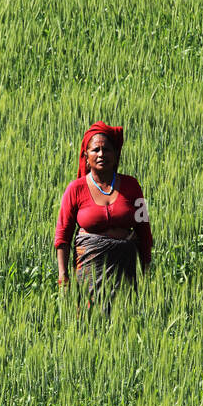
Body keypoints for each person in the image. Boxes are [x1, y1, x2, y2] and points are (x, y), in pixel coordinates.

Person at [54, 121, 152, 315]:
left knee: (124, 320)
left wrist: (147, 274)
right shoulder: (75, 189)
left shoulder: (133, 186)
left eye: (106, 149)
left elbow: (144, 231)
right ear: (86, 156)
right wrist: (63, 276)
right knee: (89, 321)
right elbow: (62, 236)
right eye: (95, 149)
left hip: (125, 274)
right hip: (89, 273)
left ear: (115, 155)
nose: (101, 154)